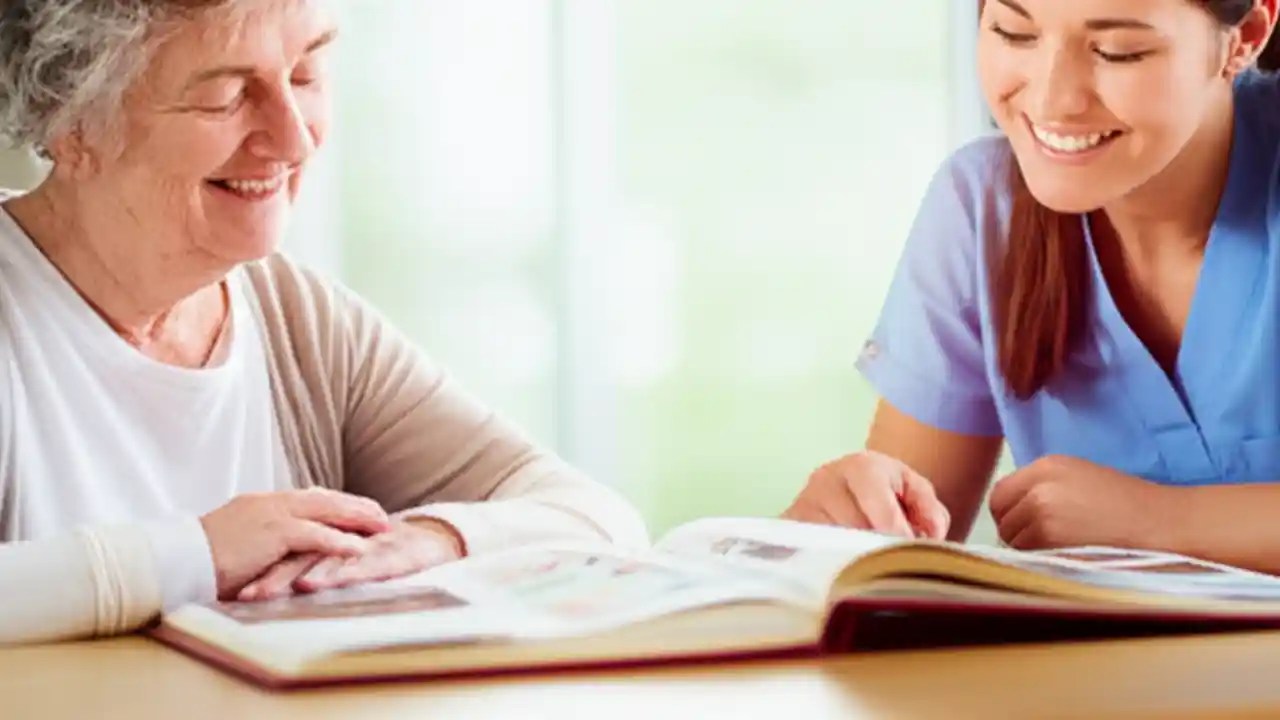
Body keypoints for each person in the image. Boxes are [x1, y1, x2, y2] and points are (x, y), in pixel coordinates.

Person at [0, 0, 647, 645]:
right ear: (73, 123)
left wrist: (432, 541)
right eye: (225, 97)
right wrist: (196, 556)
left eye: (306, 76)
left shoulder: (300, 320)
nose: (294, 137)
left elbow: (593, 516)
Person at [784, 0, 1280, 574]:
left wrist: (1161, 523)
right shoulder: (980, 211)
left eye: (1118, 51)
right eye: (1015, 34)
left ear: (1245, 36)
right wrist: (847, 521)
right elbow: (896, 559)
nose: (1052, 101)